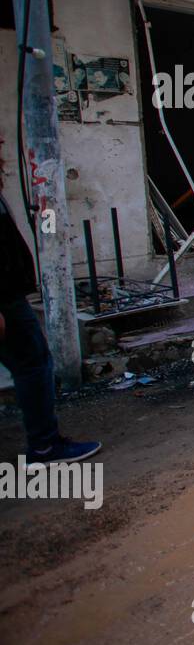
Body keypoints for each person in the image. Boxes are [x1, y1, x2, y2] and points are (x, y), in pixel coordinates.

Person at [0, 194, 101, 464]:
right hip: (6, 299)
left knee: (32, 363)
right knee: (33, 365)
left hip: (10, 295)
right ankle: (44, 445)